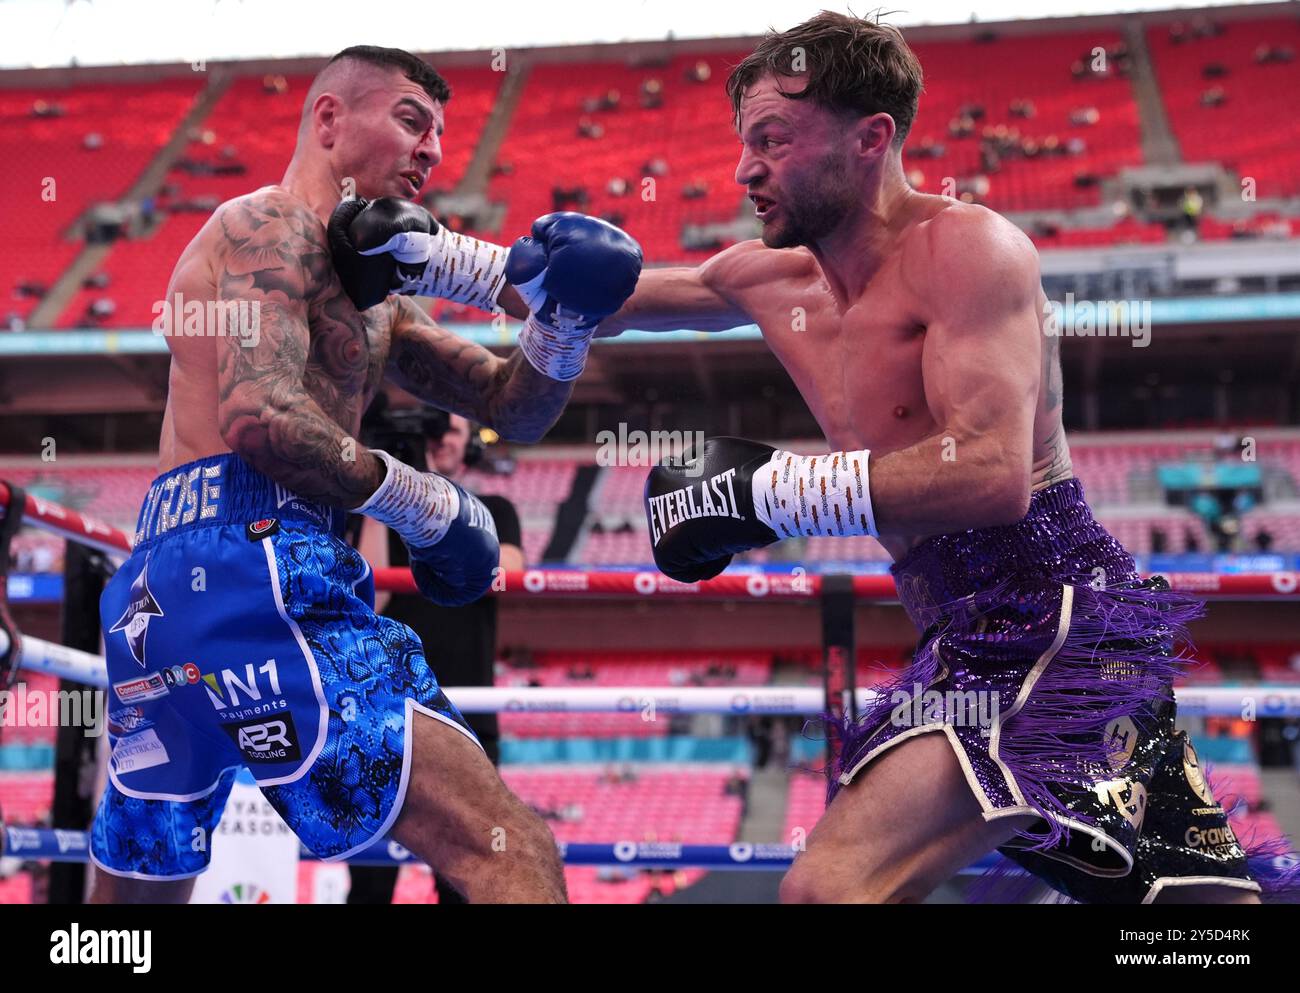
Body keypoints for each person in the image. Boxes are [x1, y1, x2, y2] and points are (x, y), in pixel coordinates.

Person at [581, 13, 1263, 904]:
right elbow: (605, 293)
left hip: (1048, 612)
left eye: (773, 141)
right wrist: (430, 261)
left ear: (872, 139)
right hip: (972, 622)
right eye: (745, 143)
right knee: (1197, 914)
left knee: (833, 887)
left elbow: (992, 473)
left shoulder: (964, 249)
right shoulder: (769, 277)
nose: (746, 169)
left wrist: (777, 492)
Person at [89, 45, 639, 904]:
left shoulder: (374, 300)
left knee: (137, 898)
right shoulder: (264, 225)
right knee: (510, 848)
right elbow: (258, 417)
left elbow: (509, 405)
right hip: (259, 564)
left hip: (156, 599)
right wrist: (423, 501)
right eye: (412, 120)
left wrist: (562, 325)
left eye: (442, 135)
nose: (432, 151)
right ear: (330, 120)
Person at [347, 411, 523, 904]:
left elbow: (508, 571)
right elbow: (368, 597)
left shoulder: (493, 507)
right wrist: (385, 496)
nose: (439, 442)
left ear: (469, 446)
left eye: (451, 431)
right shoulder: (373, 517)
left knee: (464, 874)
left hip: (464, 713)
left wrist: (437, 506)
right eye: (431, 433)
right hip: (383, 715)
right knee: (370, 882)